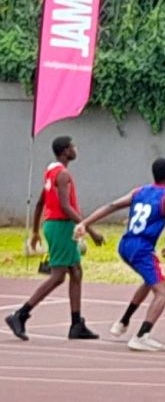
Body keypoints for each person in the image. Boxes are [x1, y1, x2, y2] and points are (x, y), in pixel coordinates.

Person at [75, 157, 165, 352]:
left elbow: (112, 206)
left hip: (125, 245)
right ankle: (141, 336)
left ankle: (123, 321)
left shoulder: (138, 192)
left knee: (150, 281)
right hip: (142, 248)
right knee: (163, 293)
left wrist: (85, 223)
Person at [5, 136, 103, 341]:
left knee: (76, 271)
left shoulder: (51, 172)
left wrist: (35, 232)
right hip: (60, 225)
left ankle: (76, 324)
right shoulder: (63, 174)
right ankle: (20, 315)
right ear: (66, 151)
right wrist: (89, 229)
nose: (76, 149)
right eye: (73, 146)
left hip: (56, 225)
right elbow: (66, 207)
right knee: (58, 275)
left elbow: (40, 202)